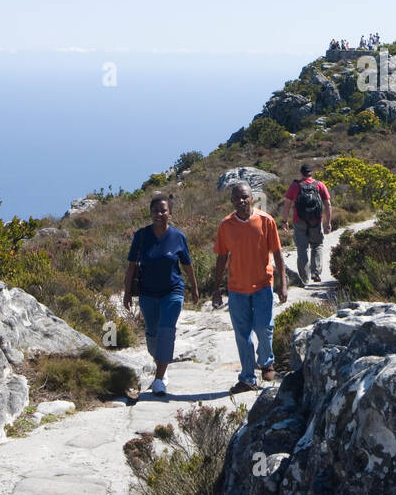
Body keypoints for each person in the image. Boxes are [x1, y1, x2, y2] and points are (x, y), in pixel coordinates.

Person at [212, 182, 286, 395]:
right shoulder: (226, 225)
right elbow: (221, 257)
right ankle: (247, 378)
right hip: (236, 289)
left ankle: (266, 362)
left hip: (263, 285)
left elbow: (278, 253)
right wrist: (216, 288)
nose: (241, 201)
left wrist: (283, 283)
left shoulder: (266, 221)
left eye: (244, 197)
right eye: (236, 198)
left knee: (264, 328)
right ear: (232, 201)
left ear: (252, 198)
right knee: (242, 335)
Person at [124, 196, 199, 396]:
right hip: (148, 294)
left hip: (173, 291)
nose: (159, 214)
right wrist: (126, 293)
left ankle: (159, 380)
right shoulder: (141, 236)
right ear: (150, 213)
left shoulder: (178, 237)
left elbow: (187, 265)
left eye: (163, 210)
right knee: (152, 335)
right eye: (155, 210)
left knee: (166, 331)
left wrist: (194, 287)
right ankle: (161, 366)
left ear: (170, 213)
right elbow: (131, 266)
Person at [281, 163, 332, 285]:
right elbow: (328, 204)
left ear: (301, 173)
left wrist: (284, 221)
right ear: (311, 173)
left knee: (302, 249)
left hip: (299, 221)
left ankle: (304, 278)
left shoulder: (295, 186)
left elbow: (287, 204)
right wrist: (328, 223)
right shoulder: (319, 185)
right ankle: (316, 272)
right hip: (316, 221)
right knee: (317, 245)